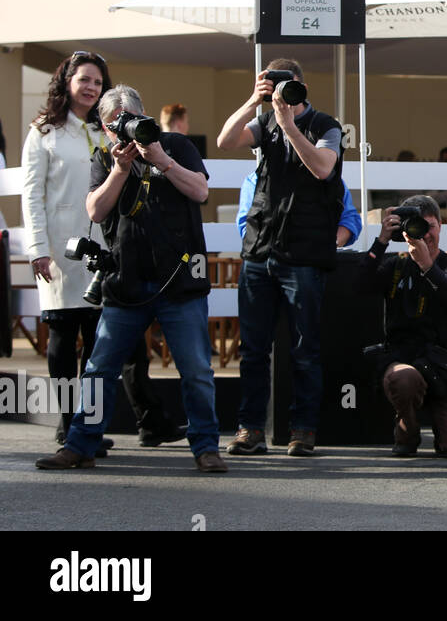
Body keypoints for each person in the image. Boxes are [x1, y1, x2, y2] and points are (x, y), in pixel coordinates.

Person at [36, 86, 225, 472]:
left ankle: (206, 447)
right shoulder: (105, 158)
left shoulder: (176, 145)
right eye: (114, 125)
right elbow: (96, 210)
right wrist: (120, 170)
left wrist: (161, 159)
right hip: (126, 281)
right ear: (105, 129)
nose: (123, 130)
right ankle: (81, 444)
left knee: (196, 370)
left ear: (145, 116)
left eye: (131, 121)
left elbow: (201, 190)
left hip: (179, 281)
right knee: (98, 369)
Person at [20, 51, 184, 450]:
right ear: (67, 82)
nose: (91, 87)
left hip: (109, 249)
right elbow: (31, 194)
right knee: (62, 337)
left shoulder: (111, 127)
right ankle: (67, 425)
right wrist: (38, 248)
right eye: (84, 79)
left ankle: (90, 427)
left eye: (97, 81)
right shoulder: (44, 131)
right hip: (62, 249)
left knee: (102, 343)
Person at [217, 58, 344, 457]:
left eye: (288, 86)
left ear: (302, 87)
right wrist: (252, 101)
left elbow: (323, 168)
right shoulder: (263, 122)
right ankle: (250, 429)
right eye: (274, 86)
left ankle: (303, 430)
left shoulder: (325, 126)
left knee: (304, 348)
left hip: (304, 254)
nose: (282, 94)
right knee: (253, 350)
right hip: (261, 248)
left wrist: (289, 125)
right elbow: (225, 141)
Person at [357, 195, 447, 457]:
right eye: (416, 226)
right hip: (405, 363)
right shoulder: (396, 267)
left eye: (429, 226)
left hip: (444, 369)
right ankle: (407, 429)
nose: (424, 234)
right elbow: (360, 285)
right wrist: (382, 240)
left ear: (441, 226)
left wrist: (428, 266)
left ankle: (440, 424)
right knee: (404, 378)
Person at [237, 170, 362, 248]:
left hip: (315, 263)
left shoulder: (329, 180)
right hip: (269, 261)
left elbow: (350, 220)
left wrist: (328, 245)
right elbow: (247, 227)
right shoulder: (255, 180)